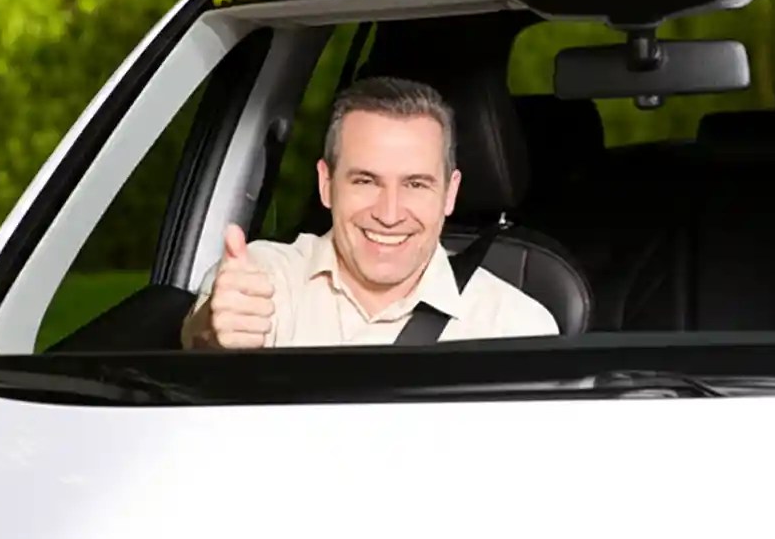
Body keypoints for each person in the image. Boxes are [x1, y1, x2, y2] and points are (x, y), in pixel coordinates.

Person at [180, 76, 559, 349]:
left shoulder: (516, 327)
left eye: (415, 184)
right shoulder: (266, 278)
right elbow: (206, 339)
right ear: (326, 184)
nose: (389, 214)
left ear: (450, 193)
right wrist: (213, 333)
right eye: (365, 181)